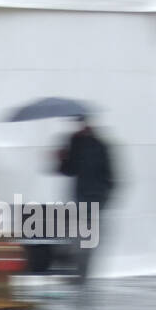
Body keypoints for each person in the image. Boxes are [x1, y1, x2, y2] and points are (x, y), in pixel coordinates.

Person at [56, 117, 116, 282]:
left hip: (94, 199)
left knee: (86, 240)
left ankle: (81, 274)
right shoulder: (75, 142)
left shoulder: (101, 146)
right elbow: (68, 169)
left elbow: (110, 176)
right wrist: (61, 159)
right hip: (79, 198)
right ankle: (77, 271)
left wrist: (104, 198)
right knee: (75, 237)